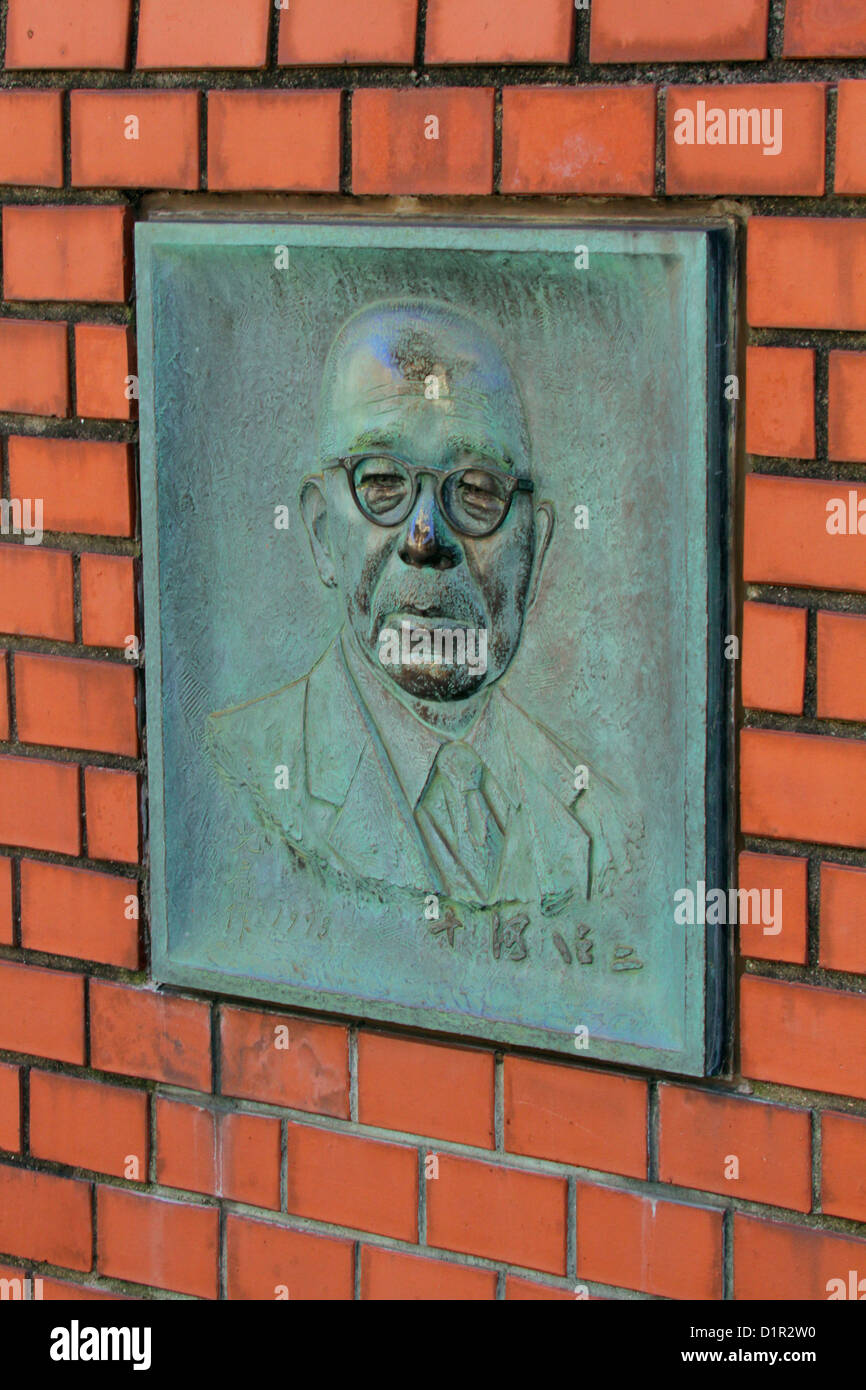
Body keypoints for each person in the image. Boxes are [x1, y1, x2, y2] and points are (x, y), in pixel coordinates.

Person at [207, 298, 640, 912]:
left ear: (535, 551)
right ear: (321, 532)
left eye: (479, 489)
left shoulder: (605, 819)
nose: (427, 538)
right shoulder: (237, 772)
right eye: (382, 482)